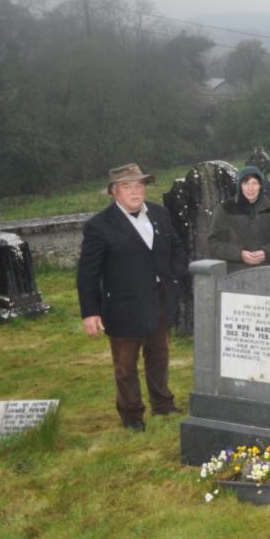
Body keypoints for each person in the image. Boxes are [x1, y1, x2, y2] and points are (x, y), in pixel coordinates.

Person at [77, 163, 185, 431]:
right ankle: (132, 414)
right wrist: (90, 312)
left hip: (159, 301)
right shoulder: (99, 226)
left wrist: (175, 274)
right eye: (128, 186)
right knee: (125, 366)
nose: (136, 191)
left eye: (140, 185)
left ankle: (163, 404)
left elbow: (176, 247)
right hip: (123, 306)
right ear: (114, 191)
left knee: (159, 357)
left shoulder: (160, 214)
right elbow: (87, 273)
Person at [206, 165, 270, 273]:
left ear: (260, 185)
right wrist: (239, 254)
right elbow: (214, 243)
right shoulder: (224, 210)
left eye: (254, 183)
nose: (250, 188)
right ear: (239, 186)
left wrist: (267, 252)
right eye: (246, 183)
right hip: (236, 273)